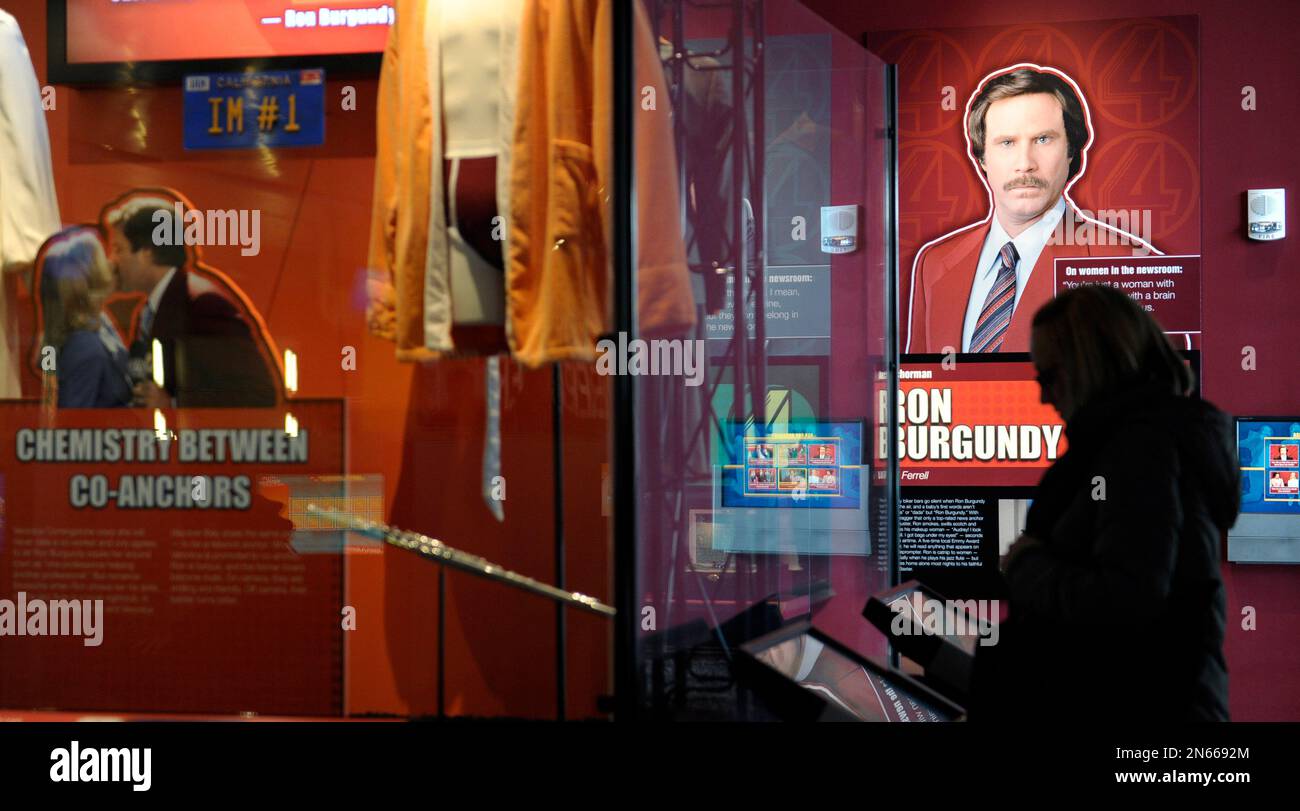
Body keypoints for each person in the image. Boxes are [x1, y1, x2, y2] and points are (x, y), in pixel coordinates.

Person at [971, 284, 1238, 721]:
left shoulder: (1139, 450)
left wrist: (1027, 563)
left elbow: (1126, 600)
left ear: (1089, 365)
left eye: (1049, 376)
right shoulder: (1146, 439)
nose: (1043, 396)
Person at [906, 66, 1160, 355]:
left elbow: (1158, 391)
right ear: (982, 156)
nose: (1024, 163)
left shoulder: (1127, 263)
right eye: (1007, 143)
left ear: (1072, 151)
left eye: (1042, 139)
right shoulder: (934, 263)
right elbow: (920, 386)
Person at [106, 201, 279, 408]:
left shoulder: (203, 306)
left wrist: (174, 404)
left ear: (147, 252)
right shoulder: (152, 308)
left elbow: (257, 394)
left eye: (118, 249)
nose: (112, 260)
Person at [38, 227, 131, 408]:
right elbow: (75, 426)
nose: (113, 262)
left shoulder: (97, 322)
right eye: (103, 258)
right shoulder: (85, 348)